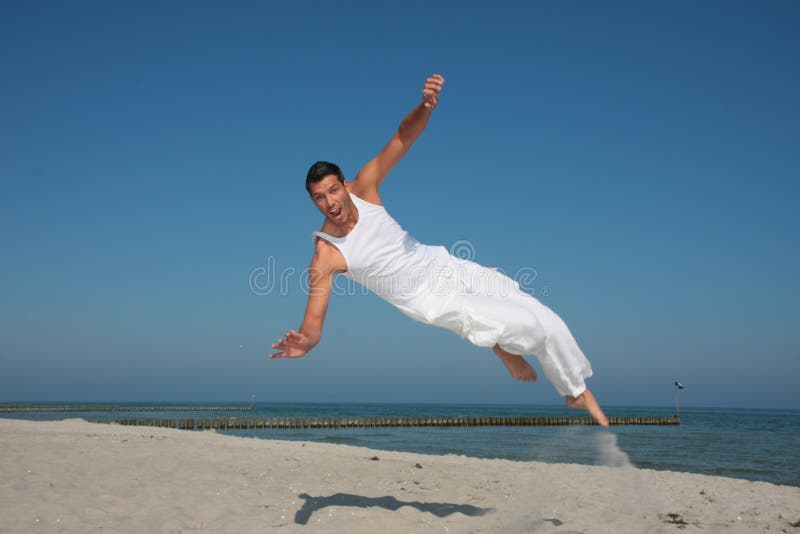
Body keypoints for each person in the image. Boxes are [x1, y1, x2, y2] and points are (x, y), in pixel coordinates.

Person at [270, 74, 609, 427]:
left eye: (333, 191)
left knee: (544, 317)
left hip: (445, 264)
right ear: (313, 202)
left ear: (345, 185)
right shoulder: (326, 254)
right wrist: (305, 342)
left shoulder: (365, 188)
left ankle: (574, 390)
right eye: (319, 198)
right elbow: (313, 323)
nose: (330, 203)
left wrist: (426, 107)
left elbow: (404, 135)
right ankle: (501, 346)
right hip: (430, 299)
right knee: (527, 327)